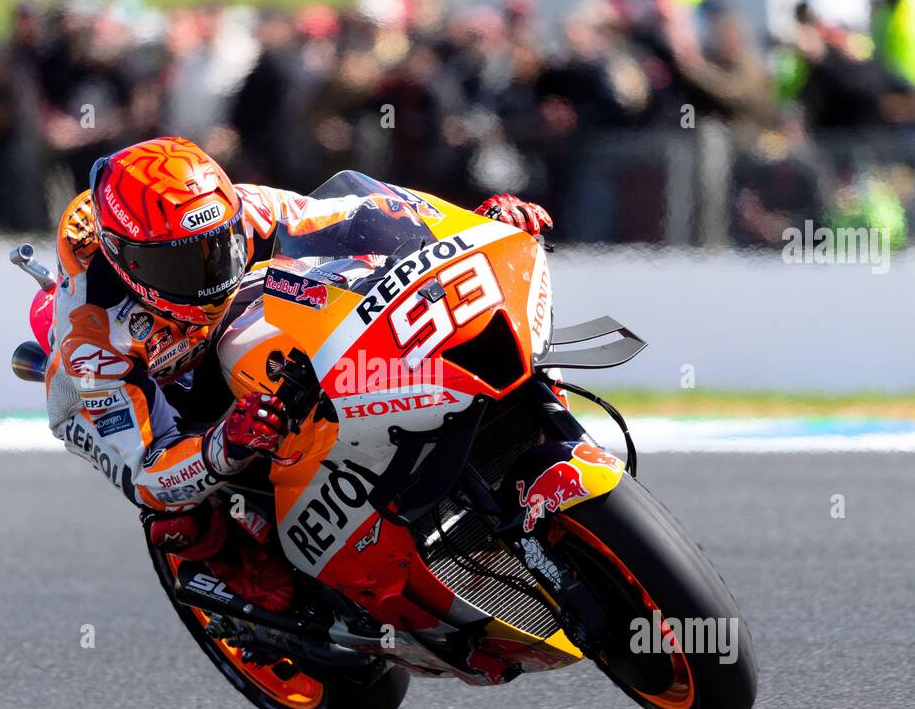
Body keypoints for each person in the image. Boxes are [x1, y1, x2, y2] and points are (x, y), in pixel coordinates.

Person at [47, 136, 550, 610]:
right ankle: (229, 564)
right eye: (181, 265)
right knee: (175, 514)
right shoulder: (93, 338)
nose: (210, 273)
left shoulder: (250, 211)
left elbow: (366, 217)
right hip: (164, 392)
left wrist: (470, 226)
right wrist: (223, 445)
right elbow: (146, 470)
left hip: (246, 336)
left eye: (217, 246)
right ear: (124, 260)